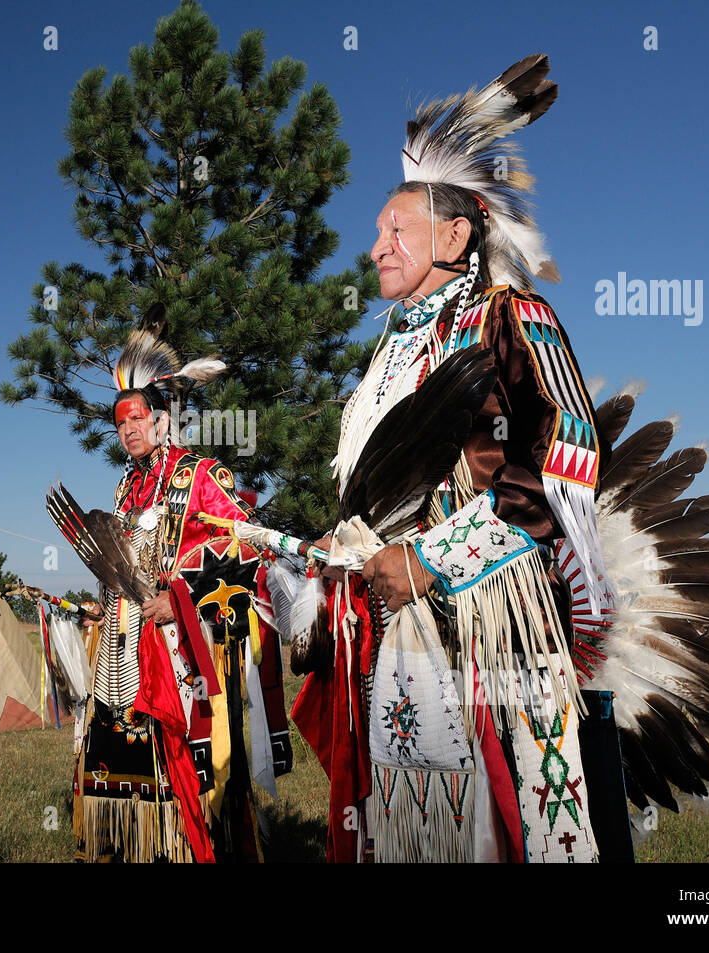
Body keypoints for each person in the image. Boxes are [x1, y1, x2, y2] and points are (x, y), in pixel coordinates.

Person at [292, 55, 615, 863]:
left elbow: (565, 459)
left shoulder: (512, 317)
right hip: (401, 635)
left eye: (392, 230)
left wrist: (434, 560)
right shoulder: (393, 350)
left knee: (504, 825)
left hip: (494, 632)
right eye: (376, 233)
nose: (374, 248)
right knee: (406, 826)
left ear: (456, 233)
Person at [69, 309, 292, 862]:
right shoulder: (126, 489)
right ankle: (133, 850)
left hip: (180, 650)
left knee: (182, 767)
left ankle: (186, 849)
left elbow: (247, 546)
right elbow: (124, 561)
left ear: (162, 419)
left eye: (139, 419)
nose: (129, 430)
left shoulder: (201, 476)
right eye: (121, 423)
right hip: (123, 650)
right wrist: (105, 607)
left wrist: (182, 595)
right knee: (119, 755)